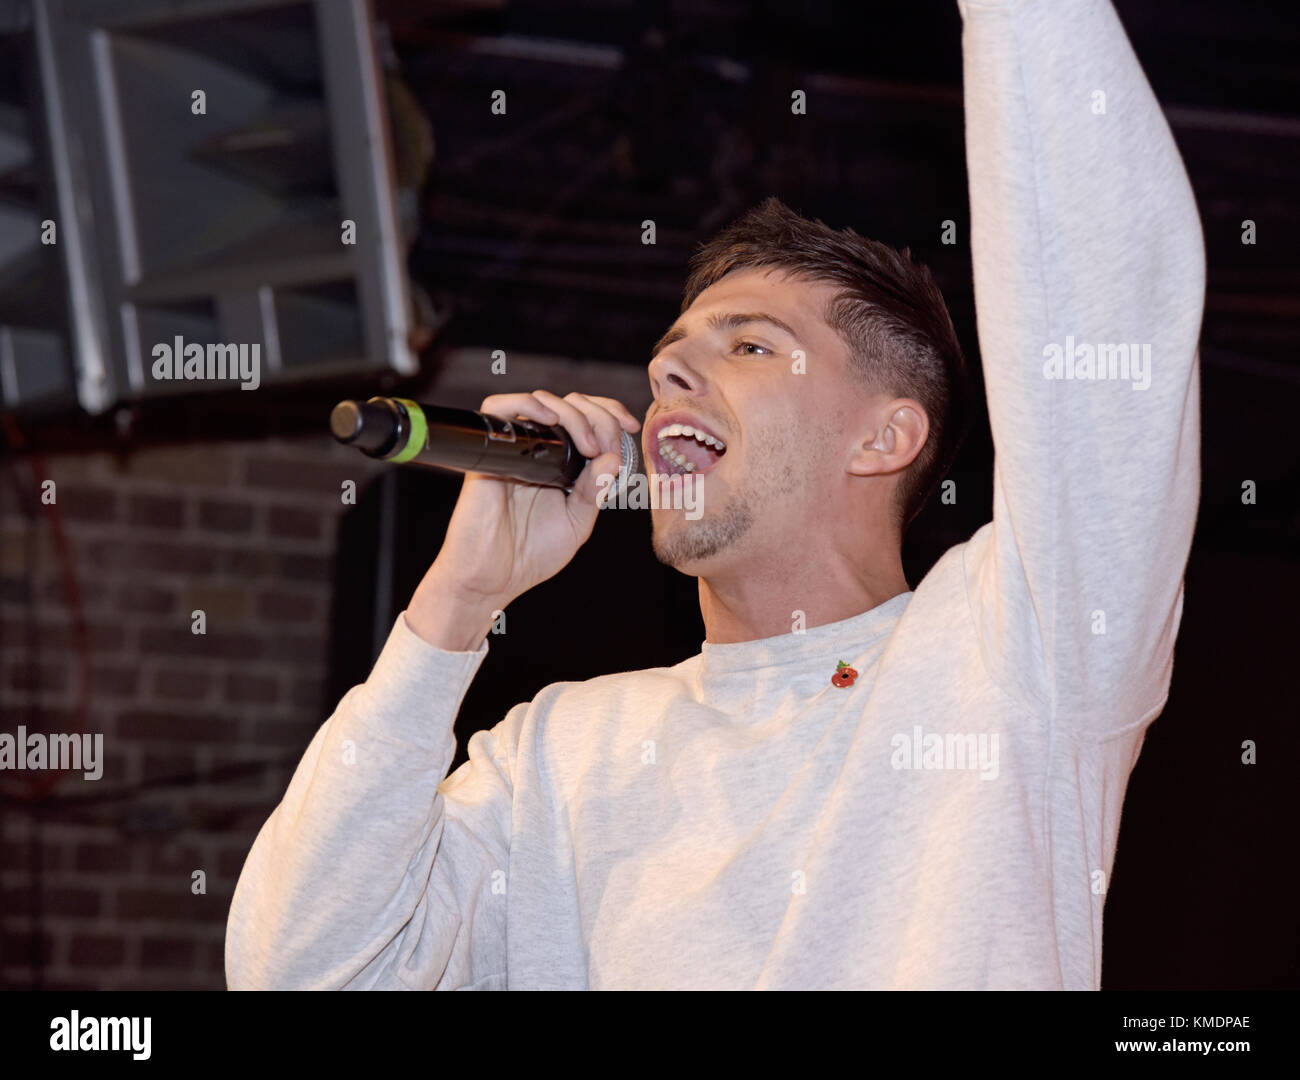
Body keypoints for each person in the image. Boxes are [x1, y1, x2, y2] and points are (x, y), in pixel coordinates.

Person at [226, 0, 1204, 989]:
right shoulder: (559, 758)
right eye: (667, 358)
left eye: (747, 346)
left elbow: (1112, 302)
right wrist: (451, 613)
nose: (669, 377)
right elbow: (299, 972)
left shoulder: (1013, 658)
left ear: (884, 435)